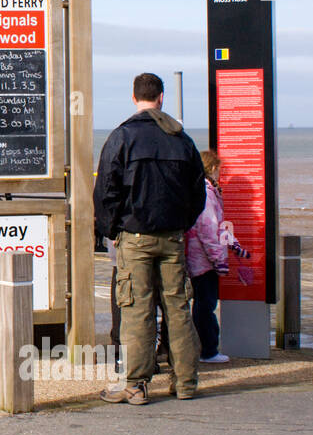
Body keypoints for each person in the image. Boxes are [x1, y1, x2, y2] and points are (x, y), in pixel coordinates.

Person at [93, 73, 206, 404]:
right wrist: (182, 225)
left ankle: (137, 384)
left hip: (135, 235)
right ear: (161, 98)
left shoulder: (122, 136)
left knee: (136, 310)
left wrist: (111, 230)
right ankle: (185, 382)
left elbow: (106, 192)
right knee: (178, 307)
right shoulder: (181, 138)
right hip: (172, 237)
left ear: (134, 98)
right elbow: (198, 192)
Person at [185, 149, 250, 364]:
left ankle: (201, 348)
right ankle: (208, 350)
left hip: (196, 257)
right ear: (212, 169)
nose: (220, 174)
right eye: (219, 170)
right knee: (205, 305)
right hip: (203, 261)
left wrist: (234, 244)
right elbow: (208, 229)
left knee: (201, 304)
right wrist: (219, 260)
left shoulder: (198, 190)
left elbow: (217, 228)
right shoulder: (207, 192)